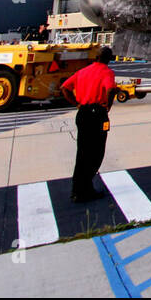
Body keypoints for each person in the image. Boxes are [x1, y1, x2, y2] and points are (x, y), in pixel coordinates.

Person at [60, 47, 119, 203]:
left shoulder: (83, 71)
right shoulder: (107, 72)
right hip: (97, 114)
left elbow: (64, 88)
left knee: (82, 152)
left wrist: (77, 104)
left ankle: (77, 189)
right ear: (109, 59)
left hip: (83, 114)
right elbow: (111, 89)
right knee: (96, 152)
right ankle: (85, 189)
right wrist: (108, 106)